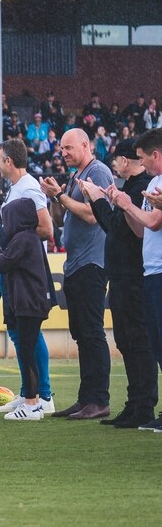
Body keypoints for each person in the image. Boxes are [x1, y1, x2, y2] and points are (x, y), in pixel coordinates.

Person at [79, 138, 157, 428]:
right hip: (124, 275)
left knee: (138, 341)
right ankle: (135, 404)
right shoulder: (135, 188)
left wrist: (99, 200)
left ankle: (143, 405)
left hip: (133, 275)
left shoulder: (141, 189)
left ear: (125, 161)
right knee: (127, 340)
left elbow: (117, 228)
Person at [40, 129, 115, 420]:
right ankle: (86, 399)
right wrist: (55, 198)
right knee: (82, 334)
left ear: (86, 145)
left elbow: (94, 215)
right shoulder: (75, 176)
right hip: (75, 264)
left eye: (69, 148)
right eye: (62, 148)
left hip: (91, 263)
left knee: (91, 333)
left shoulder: (98, 172)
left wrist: (60, 195)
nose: (64, 153)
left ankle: (99, 400)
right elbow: (65, 216)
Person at [0, 199, 54, 421]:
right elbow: (4, 257)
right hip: (29, 303)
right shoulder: (27, 238)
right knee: (27, 352)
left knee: (27, 354)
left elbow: (1, 263)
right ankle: (32, 401)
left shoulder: (23, 238)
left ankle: (31, 404)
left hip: (28, 304)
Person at [0, 139, 56, 415]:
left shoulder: (28, 187)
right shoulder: (16, 188)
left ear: (9, 161)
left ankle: (43, 395)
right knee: (19, 334)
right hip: (13, 267)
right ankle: (29, 391)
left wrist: (17, 243)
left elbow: (46, 229)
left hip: (24, 270)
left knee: (29, 334)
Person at [105, 129, 162, 431]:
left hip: (151, 273)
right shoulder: (151, 184)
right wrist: (122, 205)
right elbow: (141, 230)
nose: (142, 163)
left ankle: (144, 404)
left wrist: (126, 205)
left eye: (142, 158)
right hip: (148, 271)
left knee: (146, 342)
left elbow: (151, 222)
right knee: (149, 342)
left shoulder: (153, 184)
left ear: (155, 155)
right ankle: (139, 405)